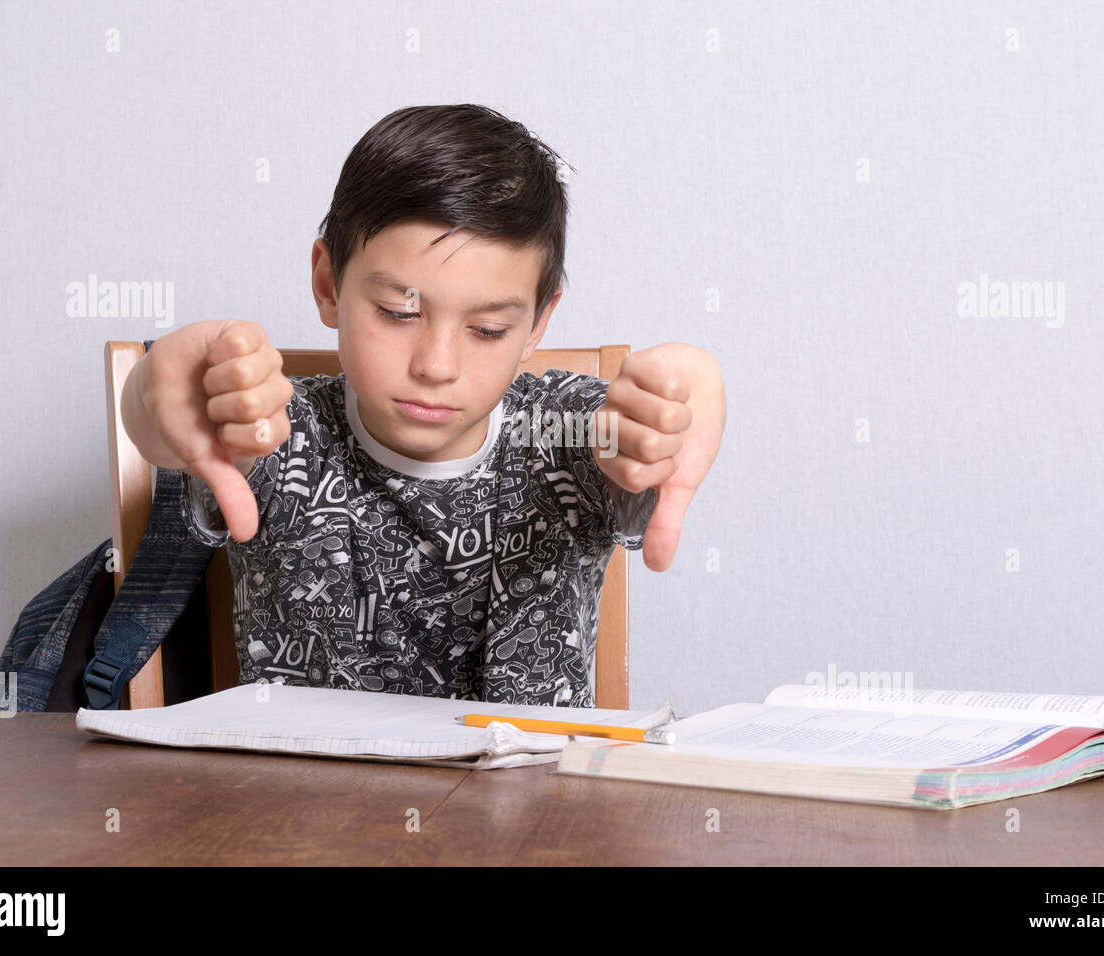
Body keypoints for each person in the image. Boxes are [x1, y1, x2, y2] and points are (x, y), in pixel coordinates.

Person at [121, 104, 726, 705]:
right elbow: (165, 426)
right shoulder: (276, 430)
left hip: (535, 795)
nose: (437, 365)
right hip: (307, 796)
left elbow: (642, 428)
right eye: (399, 313)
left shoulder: (571, 432)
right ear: (329, 285)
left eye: (488, 329)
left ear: (538, 322)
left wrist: (674, 411)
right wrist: (153, 392)